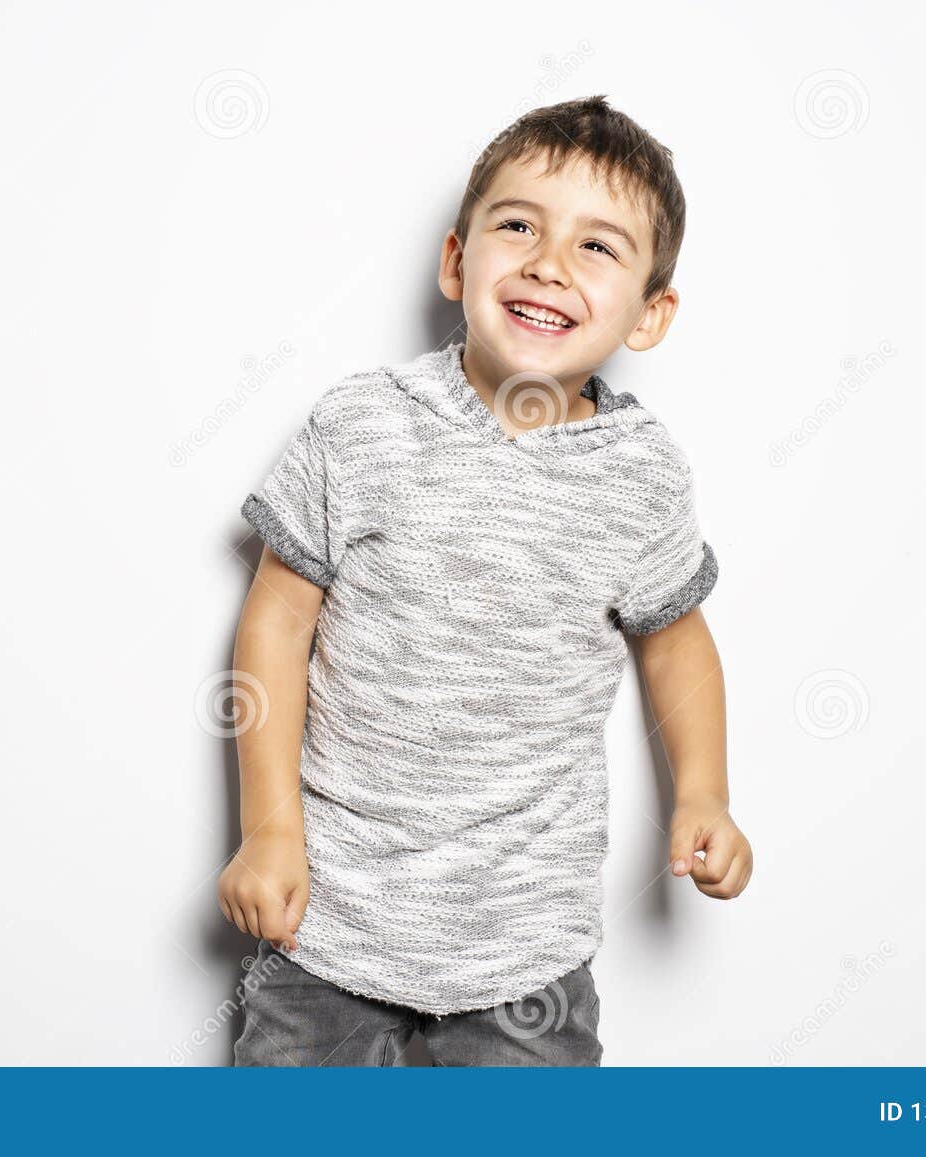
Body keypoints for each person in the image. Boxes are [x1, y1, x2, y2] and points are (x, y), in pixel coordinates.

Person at [220, 94, 753, 1066]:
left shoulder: (640, 476)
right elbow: (274, 626)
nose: (548, 263)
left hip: (524, 951)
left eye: (597, 246)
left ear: (650, 312)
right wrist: (267, 829)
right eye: (518, 227)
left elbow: (678, 644)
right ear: (456, 260)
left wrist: (704, 796)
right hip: (325, 925)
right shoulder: (361, 425)